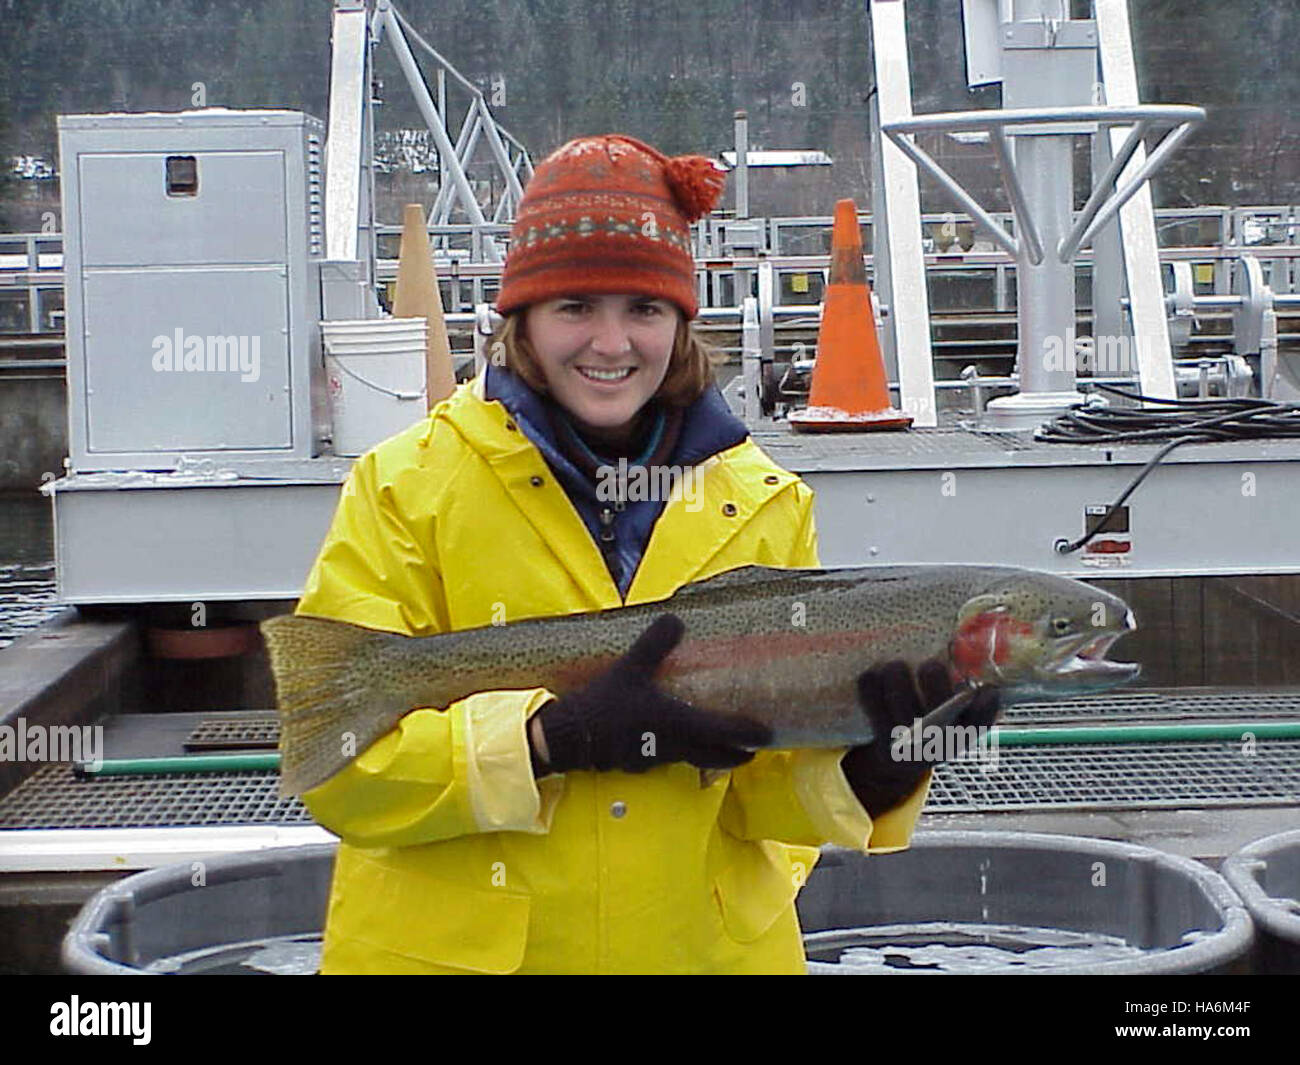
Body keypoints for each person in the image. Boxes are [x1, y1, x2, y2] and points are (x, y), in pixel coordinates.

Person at [292, 133, 1000, 974]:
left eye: (644, 309)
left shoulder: (769, 502)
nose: (612, 341)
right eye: (576, 306)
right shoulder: (404, 487)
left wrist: (874, 773)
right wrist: (548, 740)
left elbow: (756, 791)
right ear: (519, 318)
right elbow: (338, 768)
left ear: (681, 320)